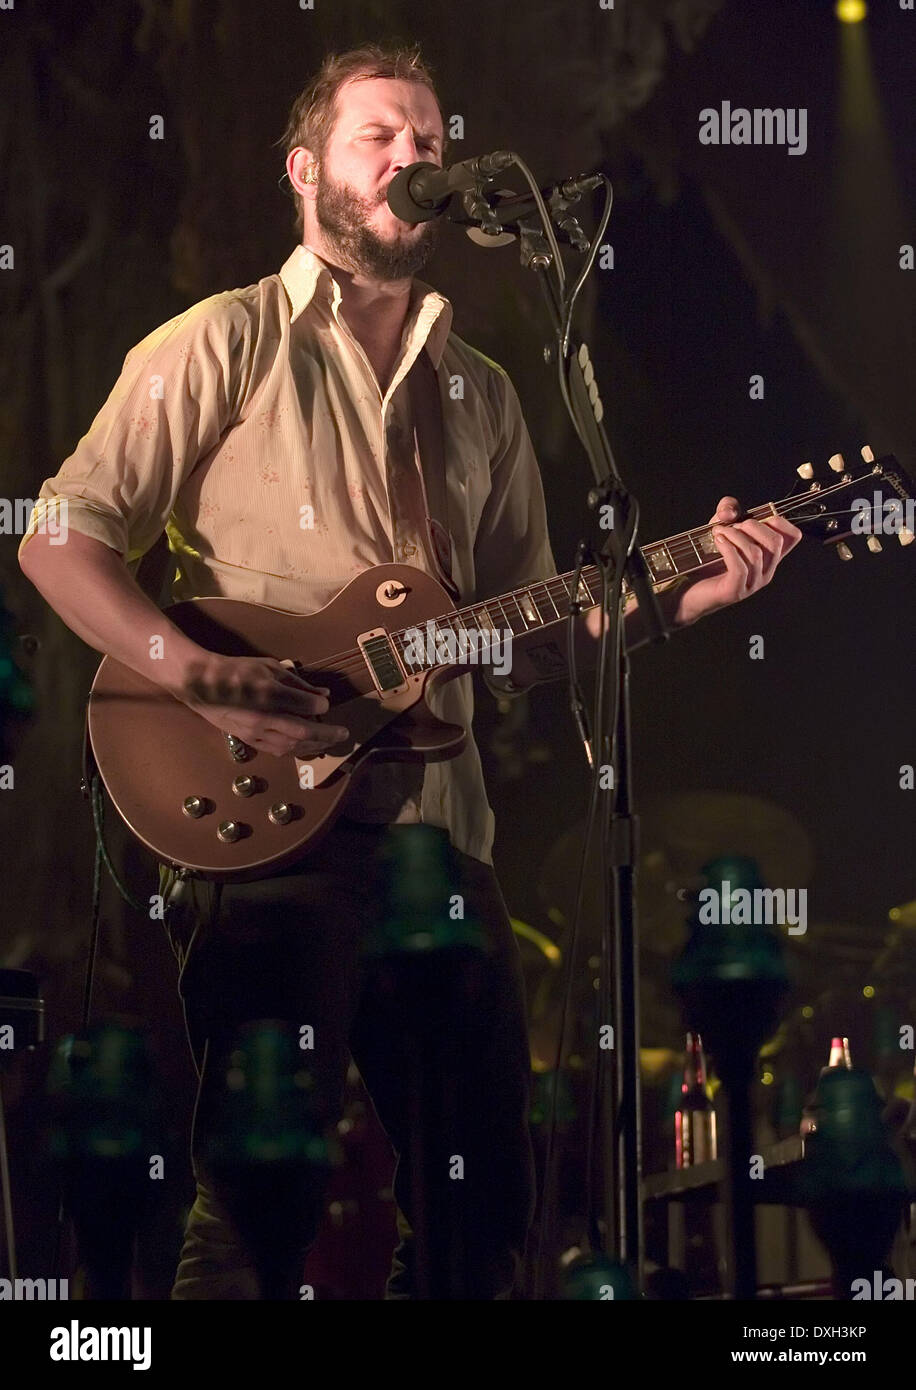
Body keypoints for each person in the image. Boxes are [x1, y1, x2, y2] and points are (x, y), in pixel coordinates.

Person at [18, 43, 801, 1300]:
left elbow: (529, 638)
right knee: (255, 1207)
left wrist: (681, 596)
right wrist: (197, 673)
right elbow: (58, 534)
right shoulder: (218, 344)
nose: (412, 159)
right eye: (379, 136)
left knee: (480, 1208)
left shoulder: (480, 394)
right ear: (304, 171)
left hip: (444, 837)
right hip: (263, 826)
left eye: (429, 140)